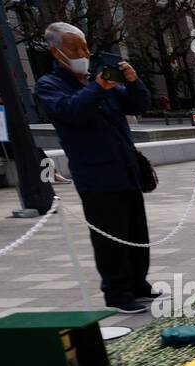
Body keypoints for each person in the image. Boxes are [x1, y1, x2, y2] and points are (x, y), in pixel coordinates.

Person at [34, 21, 155, 313]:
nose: (84, 53)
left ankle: (140, 284)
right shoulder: (49, 86)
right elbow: (72, 111)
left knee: (137, 232)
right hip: (97, 177)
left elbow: (138, 105)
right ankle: (117, 293)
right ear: (56, 52)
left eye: (85, 47)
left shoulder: (99, 81)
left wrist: (133, 82)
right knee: (109, 238)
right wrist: (98, 88)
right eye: (75, 48)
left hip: (127, 171)